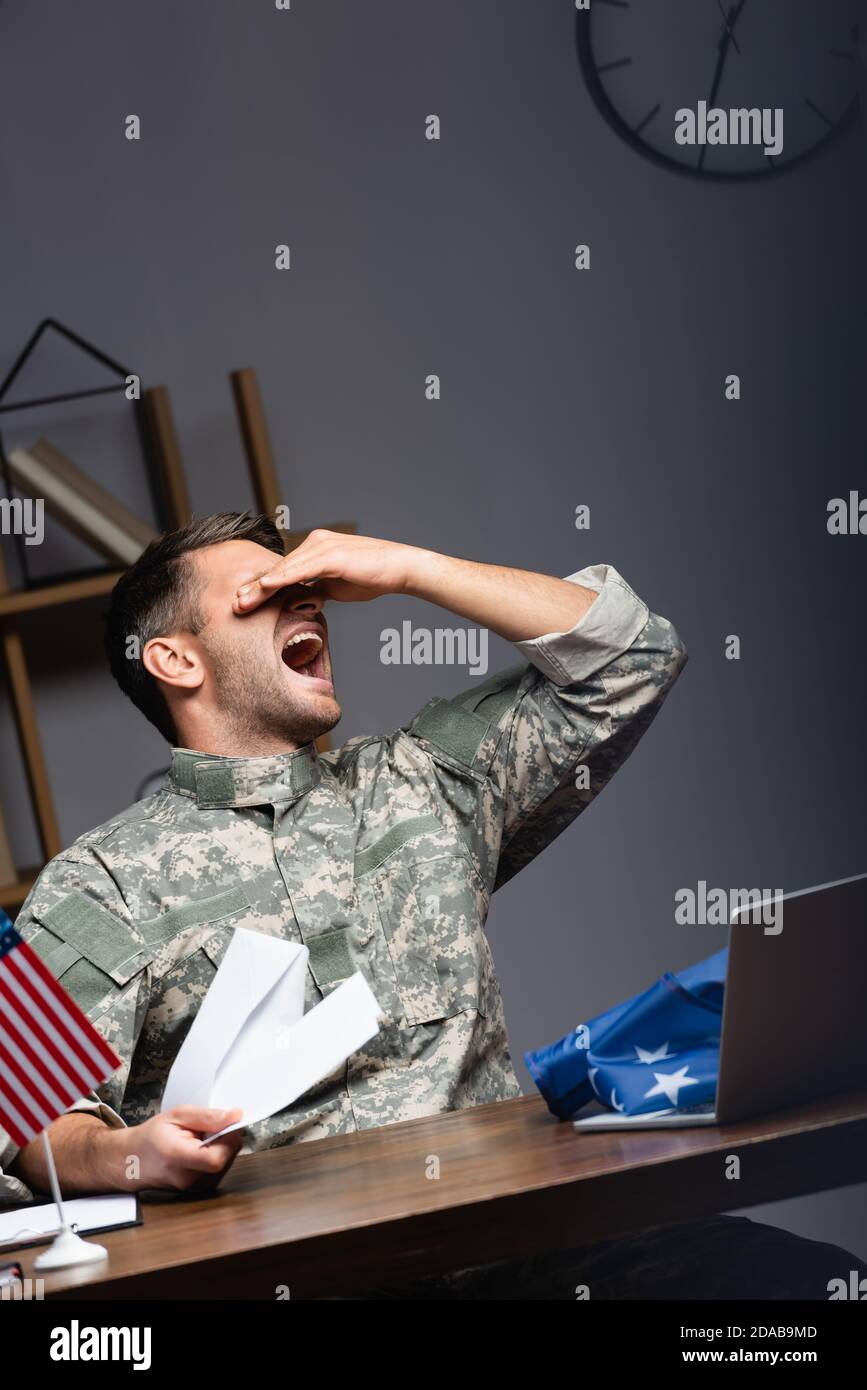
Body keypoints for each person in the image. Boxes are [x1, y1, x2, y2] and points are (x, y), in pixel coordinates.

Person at [4, 512, 863, 1298]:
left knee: (803, 1294)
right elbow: (22, 1126)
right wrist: (128, 1155)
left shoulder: (427, 778)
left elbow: (630, 654)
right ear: (175, 659)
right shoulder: (99, 883)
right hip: (311, 1282)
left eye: (310, 588)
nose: (306, 599)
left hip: (545, 1247)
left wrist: (408, 566)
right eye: (262, 593)